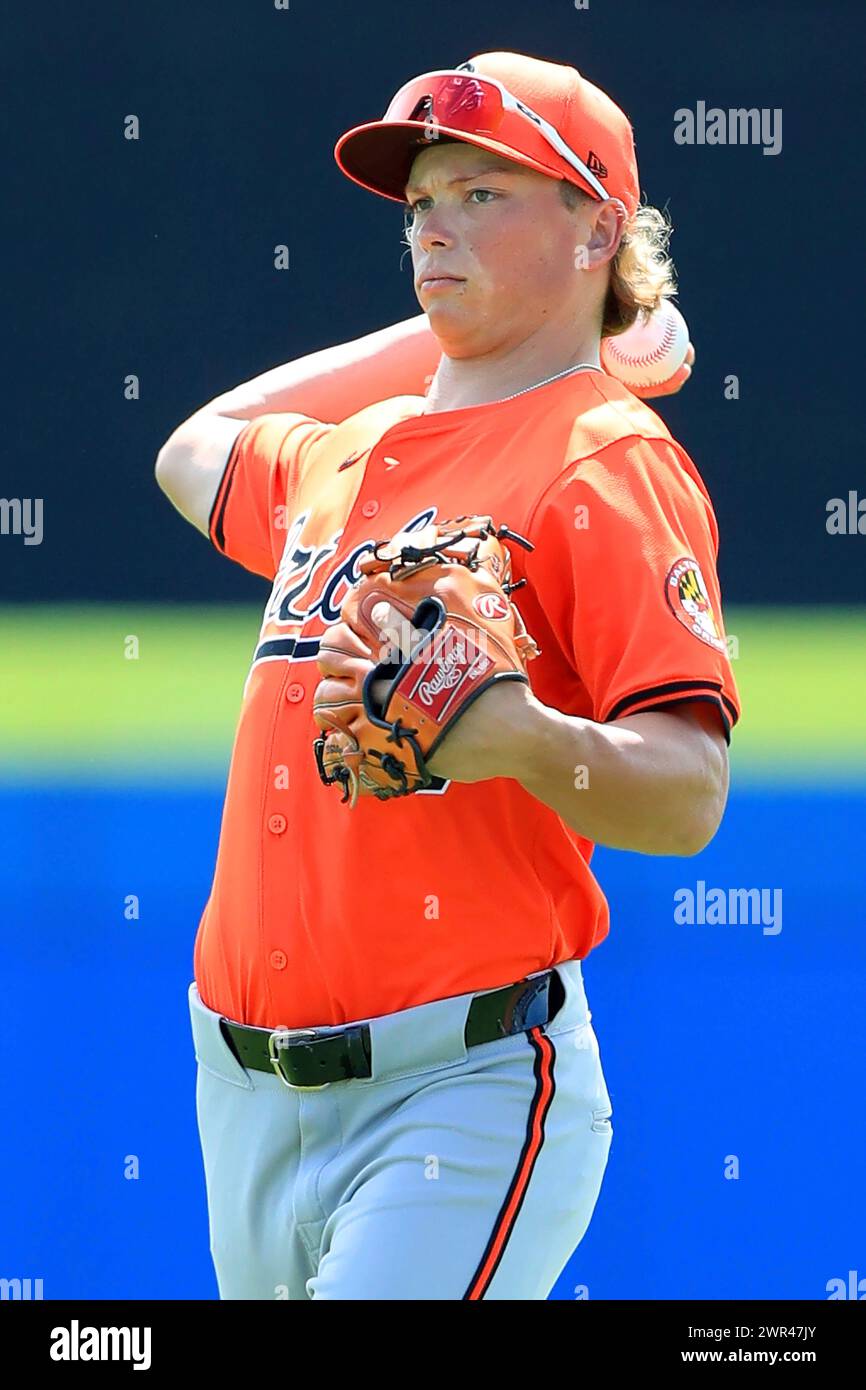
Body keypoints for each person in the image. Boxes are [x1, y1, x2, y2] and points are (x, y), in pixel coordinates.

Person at [155, 50, 740, 1301]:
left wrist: (521, 737)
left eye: (483, 194)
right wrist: (461, 336)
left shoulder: (603, 461)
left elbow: (689, 791)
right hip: (241, 1091)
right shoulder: (353, 452)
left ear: (597, 226)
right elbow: (188, 448)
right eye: (424, 202)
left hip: (455, 1091)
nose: (432, 225)